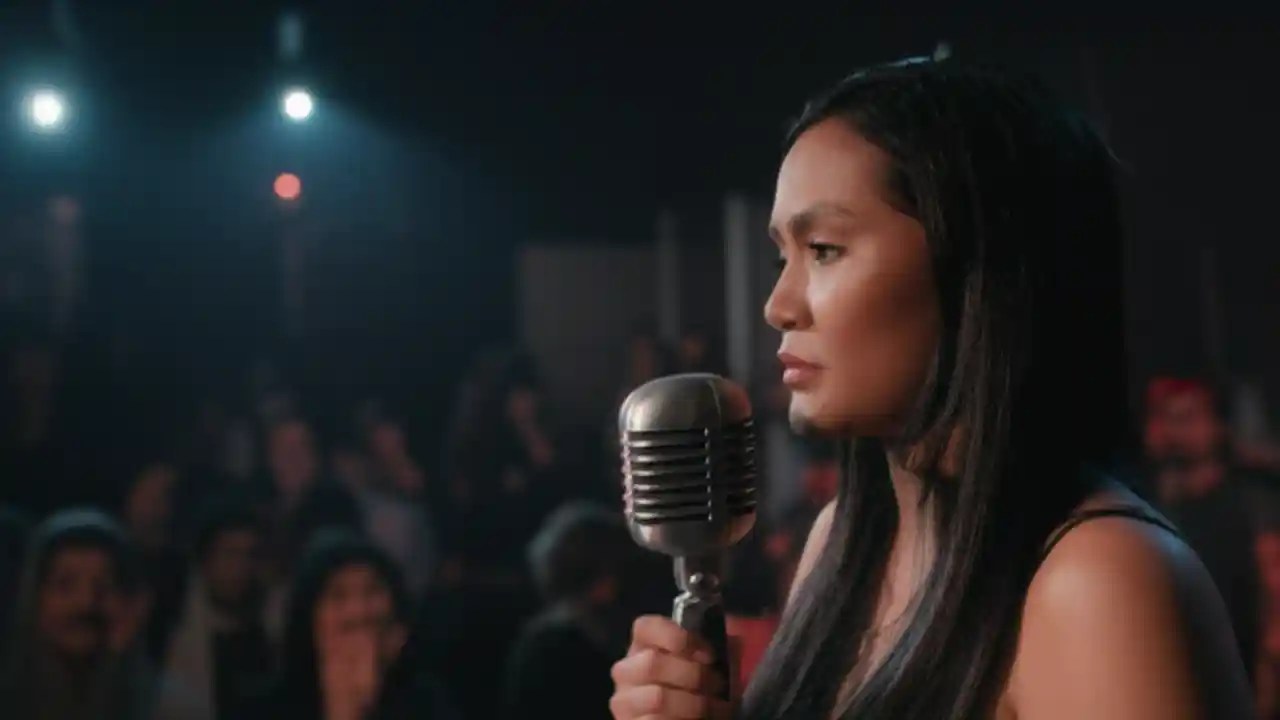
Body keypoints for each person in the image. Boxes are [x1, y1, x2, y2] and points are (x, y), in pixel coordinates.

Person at [610, 59, 1254, 719]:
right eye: (784, 257)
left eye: (825, 249)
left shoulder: (1099, 580)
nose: (779, 304)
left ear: (976, 271)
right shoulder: (841, 540)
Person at [243, 530, 457, 720]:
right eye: (338, 596)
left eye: (373, 591)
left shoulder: (428, 701)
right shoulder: (265, 708)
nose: (358, 612)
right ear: (309, 616)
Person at [156, 501, 274, 720]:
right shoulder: (172, 636)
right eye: (230, 554)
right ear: (206, 561)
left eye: (250, 555)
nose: (241, 566)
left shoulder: (271, 631)